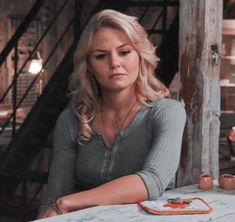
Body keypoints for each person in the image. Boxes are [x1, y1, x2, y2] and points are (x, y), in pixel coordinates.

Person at [37, 9, 186, 219]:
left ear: (140, 56)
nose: (114, 63)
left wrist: (68, 202)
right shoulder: (72, 120)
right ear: (89, 65)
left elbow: (152, 181)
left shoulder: (168, 112)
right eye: (101, 56)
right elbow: (54, 196)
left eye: (124, 52)